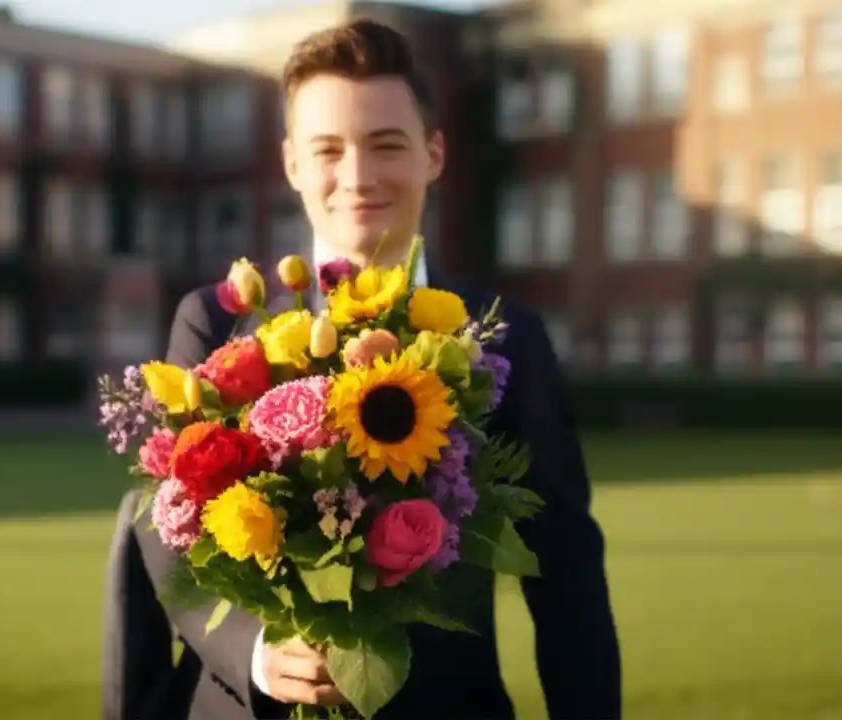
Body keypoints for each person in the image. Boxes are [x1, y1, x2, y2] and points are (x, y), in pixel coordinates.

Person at [100, 18, 622, 720]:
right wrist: (258, 654)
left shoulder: (506, 340)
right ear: (290, 164)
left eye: (386, 145)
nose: (357, 176)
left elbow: (566, 571)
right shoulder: (217, 321)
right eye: (328, 150)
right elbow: (165, 539)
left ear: (434, 153)